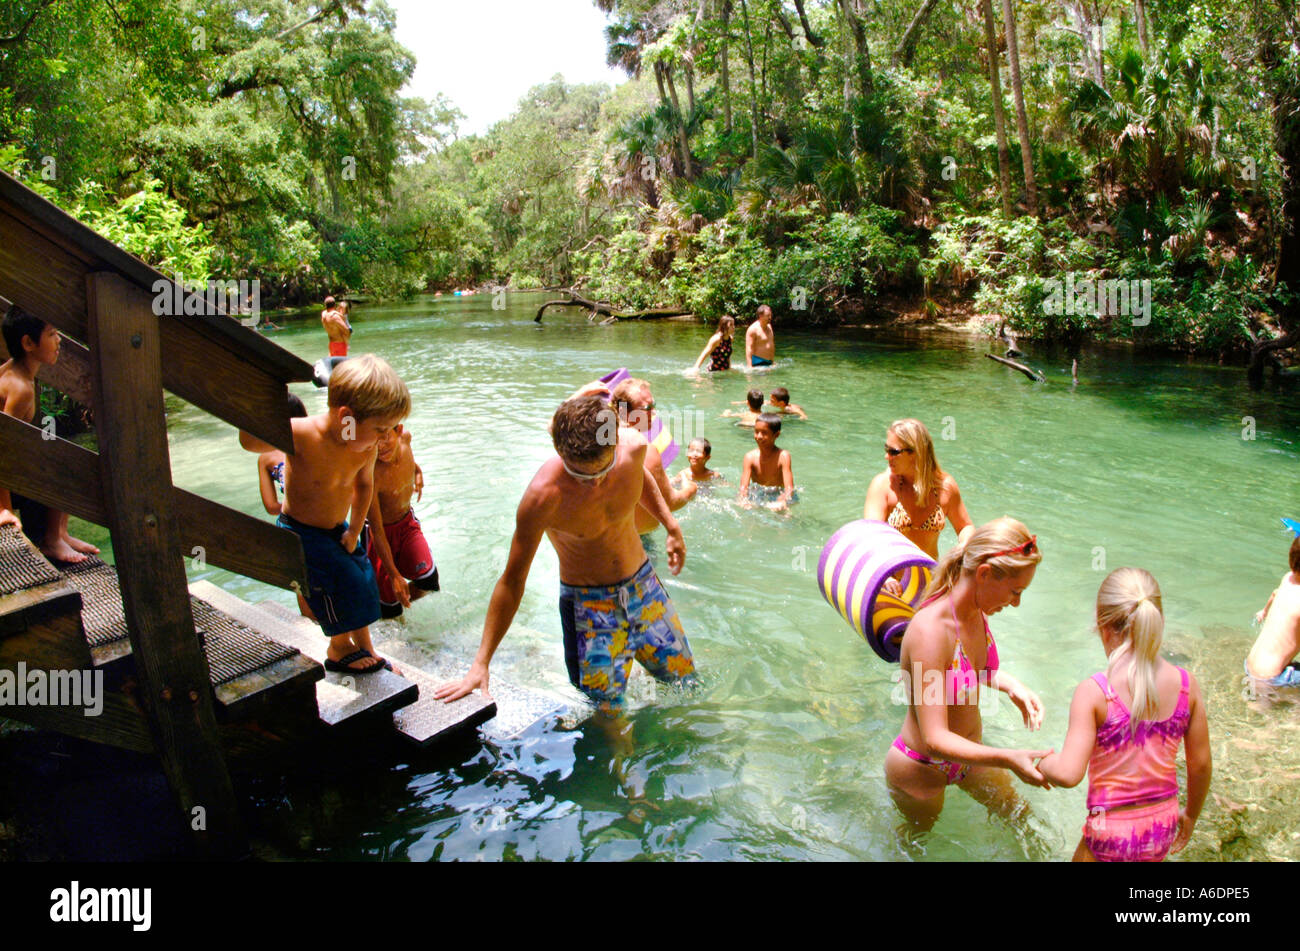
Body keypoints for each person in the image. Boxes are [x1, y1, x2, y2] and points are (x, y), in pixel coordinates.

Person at [434, 393, 695, 714]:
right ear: (560, 453)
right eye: (582, 475)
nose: (595, 483)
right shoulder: (543, 498)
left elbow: (638, 475)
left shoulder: (634, 446)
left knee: (685, 681)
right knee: (608, 715)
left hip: (645, 589)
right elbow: (512, 580)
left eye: (603, 470)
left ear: (614, 445)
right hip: (589, 608)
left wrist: (671, 525)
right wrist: (480, 663)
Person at [239, 354, 409, 674]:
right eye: (380, 429)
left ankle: (365, 647)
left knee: (363, 581)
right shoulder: (303, 434)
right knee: (336, 585)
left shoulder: (365, 447)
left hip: (338, 529)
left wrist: (355, 530)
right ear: (346, 418)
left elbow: (363, 487)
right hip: (301, 531)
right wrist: (257, 398)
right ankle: (338, 648)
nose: (385, 438)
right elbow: (249, 442)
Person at [886, 518, 1050, 833]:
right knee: (918, 851)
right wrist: (1008, 758)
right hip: (920, 767)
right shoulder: (930, 633)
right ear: (985, 574)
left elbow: (971, 671)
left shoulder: (974, 612)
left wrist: (1012, 686)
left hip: (969, 757)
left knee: (1024, 823)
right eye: (1015, 592)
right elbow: (934, 739)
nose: (1016, 603)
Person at [1037, 568, 1211, 862]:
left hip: (1110, 832)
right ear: (1159, 622)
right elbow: (1201, 765)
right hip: (1162, 826)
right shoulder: (1186, 686)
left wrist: (1042, 762)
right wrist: (1191, 814)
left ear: (1103, 628)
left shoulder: (1094, 692)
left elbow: (1068, 774)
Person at [0, 305, 100, 563]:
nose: (59, 341)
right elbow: (3, 448)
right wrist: (4, 509)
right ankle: (51, 541)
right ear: (28, 343)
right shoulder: (20, 388)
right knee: (60, 463)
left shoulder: (14, 371)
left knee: (58, 450)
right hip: (4, 472)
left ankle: (60, 533)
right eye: (53, 334)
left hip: (11, 469)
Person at [864, 419, 974, 560]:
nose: (887, 456)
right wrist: (884, 576)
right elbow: (870, 538)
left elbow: (965, 527)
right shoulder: (882, 486)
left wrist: (964, 546)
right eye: (886, 450)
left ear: (915, 453)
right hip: (890, 577)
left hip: (930, 576)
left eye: (893, 452)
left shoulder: (945, 487)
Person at [609, 378, 697, 547]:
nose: (654, 413)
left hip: (605, 534)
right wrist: (689, 489)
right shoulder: (645, 450)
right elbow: (670, 503)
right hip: (635, 542)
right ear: (624, 412)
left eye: (653, 405)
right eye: (646, 408)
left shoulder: (599, 440)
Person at [364, 421, 439, 619]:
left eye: (385, 437)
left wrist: (417, 472)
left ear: (398, 431)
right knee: (390, 613)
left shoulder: (406, 439)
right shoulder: (371, 473)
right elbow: (376, 530)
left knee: (429, 581)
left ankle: (389, 602)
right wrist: (395, 575)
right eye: (374, 441)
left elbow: (408, 461)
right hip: (378, 534)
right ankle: (385, 607)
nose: (381, 446)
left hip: (406, 524)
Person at [1245, 535, 1300, 688]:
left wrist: (1264, 611)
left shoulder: (1288, 578)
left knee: (1255, 700)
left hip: (1250, 664)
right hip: (1270, 677)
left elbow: (1275, 593)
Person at [256, 394, 309, 516]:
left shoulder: (266, 458)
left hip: (295, 523)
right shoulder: (318, 445)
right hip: (330, 519)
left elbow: (271, 507)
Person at [738, 414, 794, 511]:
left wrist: (784, 498)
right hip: (759, 493)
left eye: (764, 433)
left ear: (776, 435)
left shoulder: (783, 456)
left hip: (778, 493)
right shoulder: (749, 457)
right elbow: (743, 487)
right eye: (756, 432)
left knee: (784, 513)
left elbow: (789, 488)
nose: (759, 436)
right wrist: (743, 498)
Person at [744, 304, 775, 369]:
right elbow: (749, 348)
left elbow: (771, 345)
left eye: (770, 315)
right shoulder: (753, 329)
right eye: (767, 316)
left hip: (768, 362)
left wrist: (772, 361)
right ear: (760, 316)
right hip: (758, 362)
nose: (770, 318)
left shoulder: (769, 327)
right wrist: (749, 366)